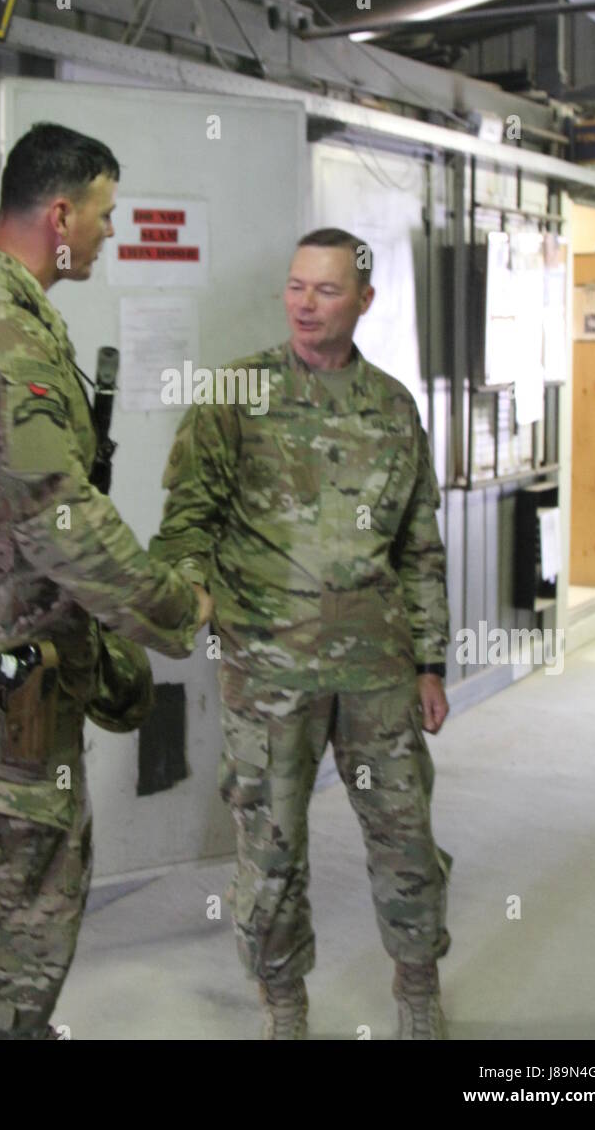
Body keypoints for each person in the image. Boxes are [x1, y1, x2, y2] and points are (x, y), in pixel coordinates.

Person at [0, 122, 212, 1041]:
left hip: (2, 656)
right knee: (26, 903)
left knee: (10, 886)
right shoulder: (0, 330)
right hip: (5, 678)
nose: (110, 233)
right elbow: (57, 514)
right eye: (105, 214)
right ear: (59, 213)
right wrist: (173, 609)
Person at [150, 227, 452, 1040]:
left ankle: (417, 991)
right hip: (269, 671)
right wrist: (189, 601)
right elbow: (185, 525)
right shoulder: (236, 394)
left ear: (363, 299)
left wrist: (431, 661)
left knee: (405, 840)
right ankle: (283, 1004)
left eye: (324, 290)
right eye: (294, 287)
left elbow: (419, 545)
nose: (305, 305)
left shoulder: (393, 408)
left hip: (379, 670)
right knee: (271, 851)